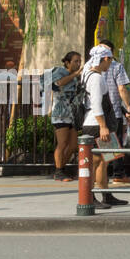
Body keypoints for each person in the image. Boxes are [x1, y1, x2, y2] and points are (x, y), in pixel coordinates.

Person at [82, 45, 127, 209]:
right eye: (110, 60)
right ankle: (91, 196)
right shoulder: (96, 78)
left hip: (98, 123)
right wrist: (103, 127)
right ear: (106, 59)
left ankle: (106, 195)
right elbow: (96, 104)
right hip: (97, 125)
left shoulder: (89, 73)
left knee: (106, 160)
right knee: (98, 162)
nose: (110, 65)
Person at [98, 39, 130, 185]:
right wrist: (128, 107)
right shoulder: (116, 66)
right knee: (115, 143)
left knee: (105, 144)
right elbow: (121, 88)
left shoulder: (92, 67)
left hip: (97, 113)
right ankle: (117, 173)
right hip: (113, 112)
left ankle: (102, 174)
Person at [45, 52, 82, 182]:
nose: (78, 64)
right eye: (76, 61)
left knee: (72, 145)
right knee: (62, 143)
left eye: (79, 61)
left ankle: (59, 169)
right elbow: (58, 83)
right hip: (60, 113)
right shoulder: (60, 71)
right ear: (67, 62)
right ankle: (59, 172)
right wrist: (74, 75)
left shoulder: (77, 77)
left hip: (71, 113)